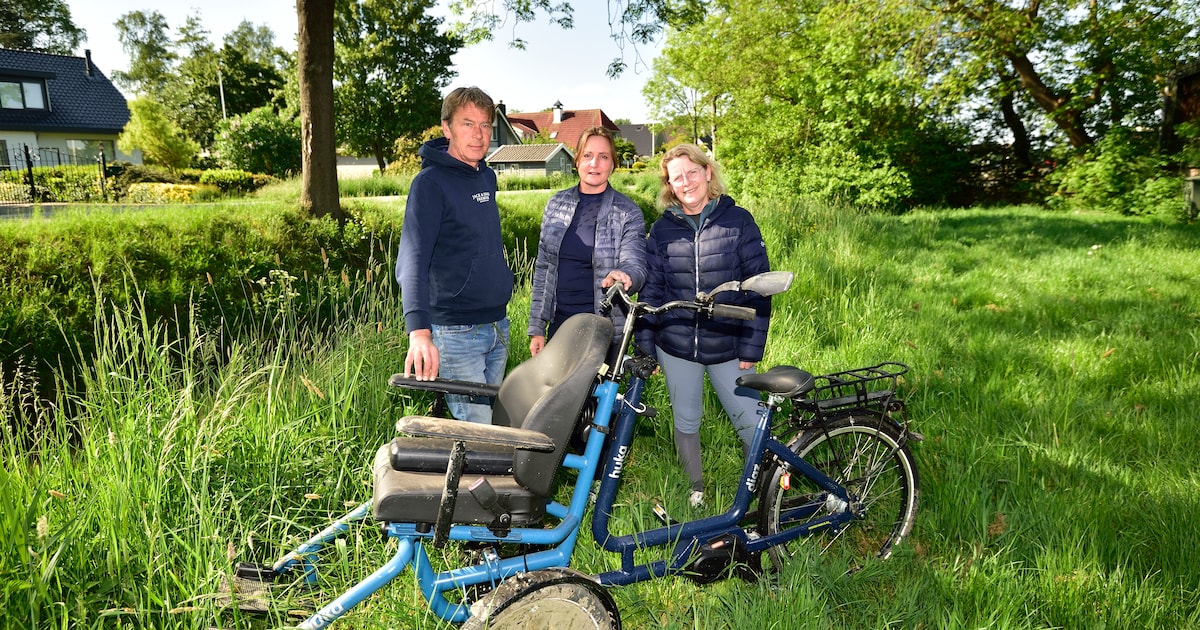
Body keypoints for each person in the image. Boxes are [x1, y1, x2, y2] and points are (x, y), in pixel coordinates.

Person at [636, 143, 772, 508]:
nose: (686, 182)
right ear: (669, 185)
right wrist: (646, 346)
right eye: (677, 177)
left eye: (692, 172)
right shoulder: (662, 230)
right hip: (677, 345)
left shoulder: (738, 220)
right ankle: (695, 489)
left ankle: (762, 489)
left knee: (749, 419)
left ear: (708, 173)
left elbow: (760, 286)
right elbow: (653, 291)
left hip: (729, 343)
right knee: (686, 417)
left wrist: (751, 347)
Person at [395, 86, 513, 424]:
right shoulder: (429, 184)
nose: (479, 135)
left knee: (494, 429)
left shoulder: (487, 176)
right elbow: (412, 258)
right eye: (467, 124)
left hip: (497, 325)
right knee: (479, 436)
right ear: (446, 128)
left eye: (485, 125)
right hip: (457, 332)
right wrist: (419, 331)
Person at [528, 126, 647, 357]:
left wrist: (625, 275)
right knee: (555, 392)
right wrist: (537, 328)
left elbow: (636, 264)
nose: (595, 163)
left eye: (603, 157)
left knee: (593, 394)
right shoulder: (555, 205)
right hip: (559, 325)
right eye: (588, 155)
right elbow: (543, 269)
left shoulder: (628, 212)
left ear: (613, 164)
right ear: (577, 161)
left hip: (603, 330)